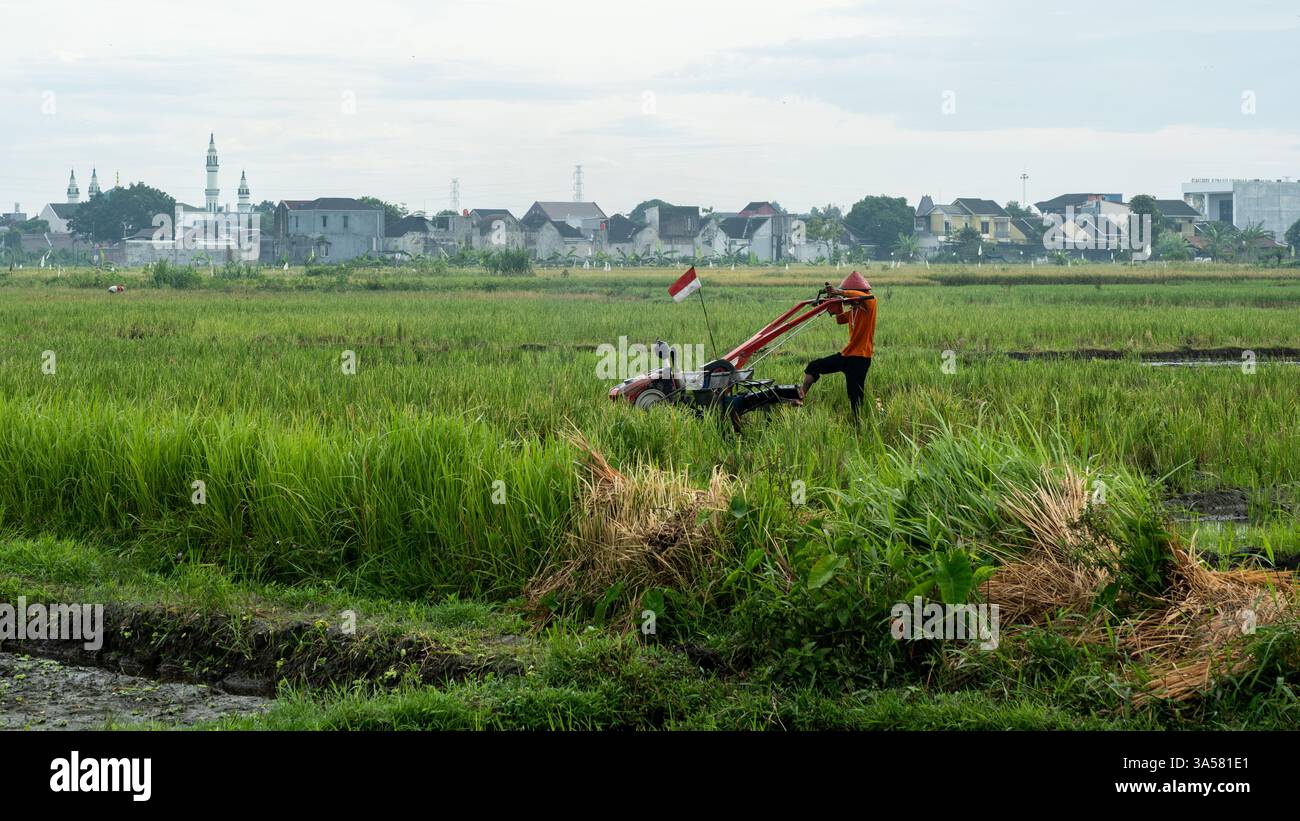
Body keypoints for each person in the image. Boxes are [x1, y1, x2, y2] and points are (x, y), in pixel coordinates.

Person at [800, 271, 876, 417]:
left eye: (846, 295)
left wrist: (839, 292)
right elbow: (840, 320)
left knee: (855, 396)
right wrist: (836, 305)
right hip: (846, 356)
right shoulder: (854, 311)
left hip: (860, 358)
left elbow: (864, 297)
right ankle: (800, 396)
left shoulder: (869, 305)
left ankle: (858, 424)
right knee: (814, 366)